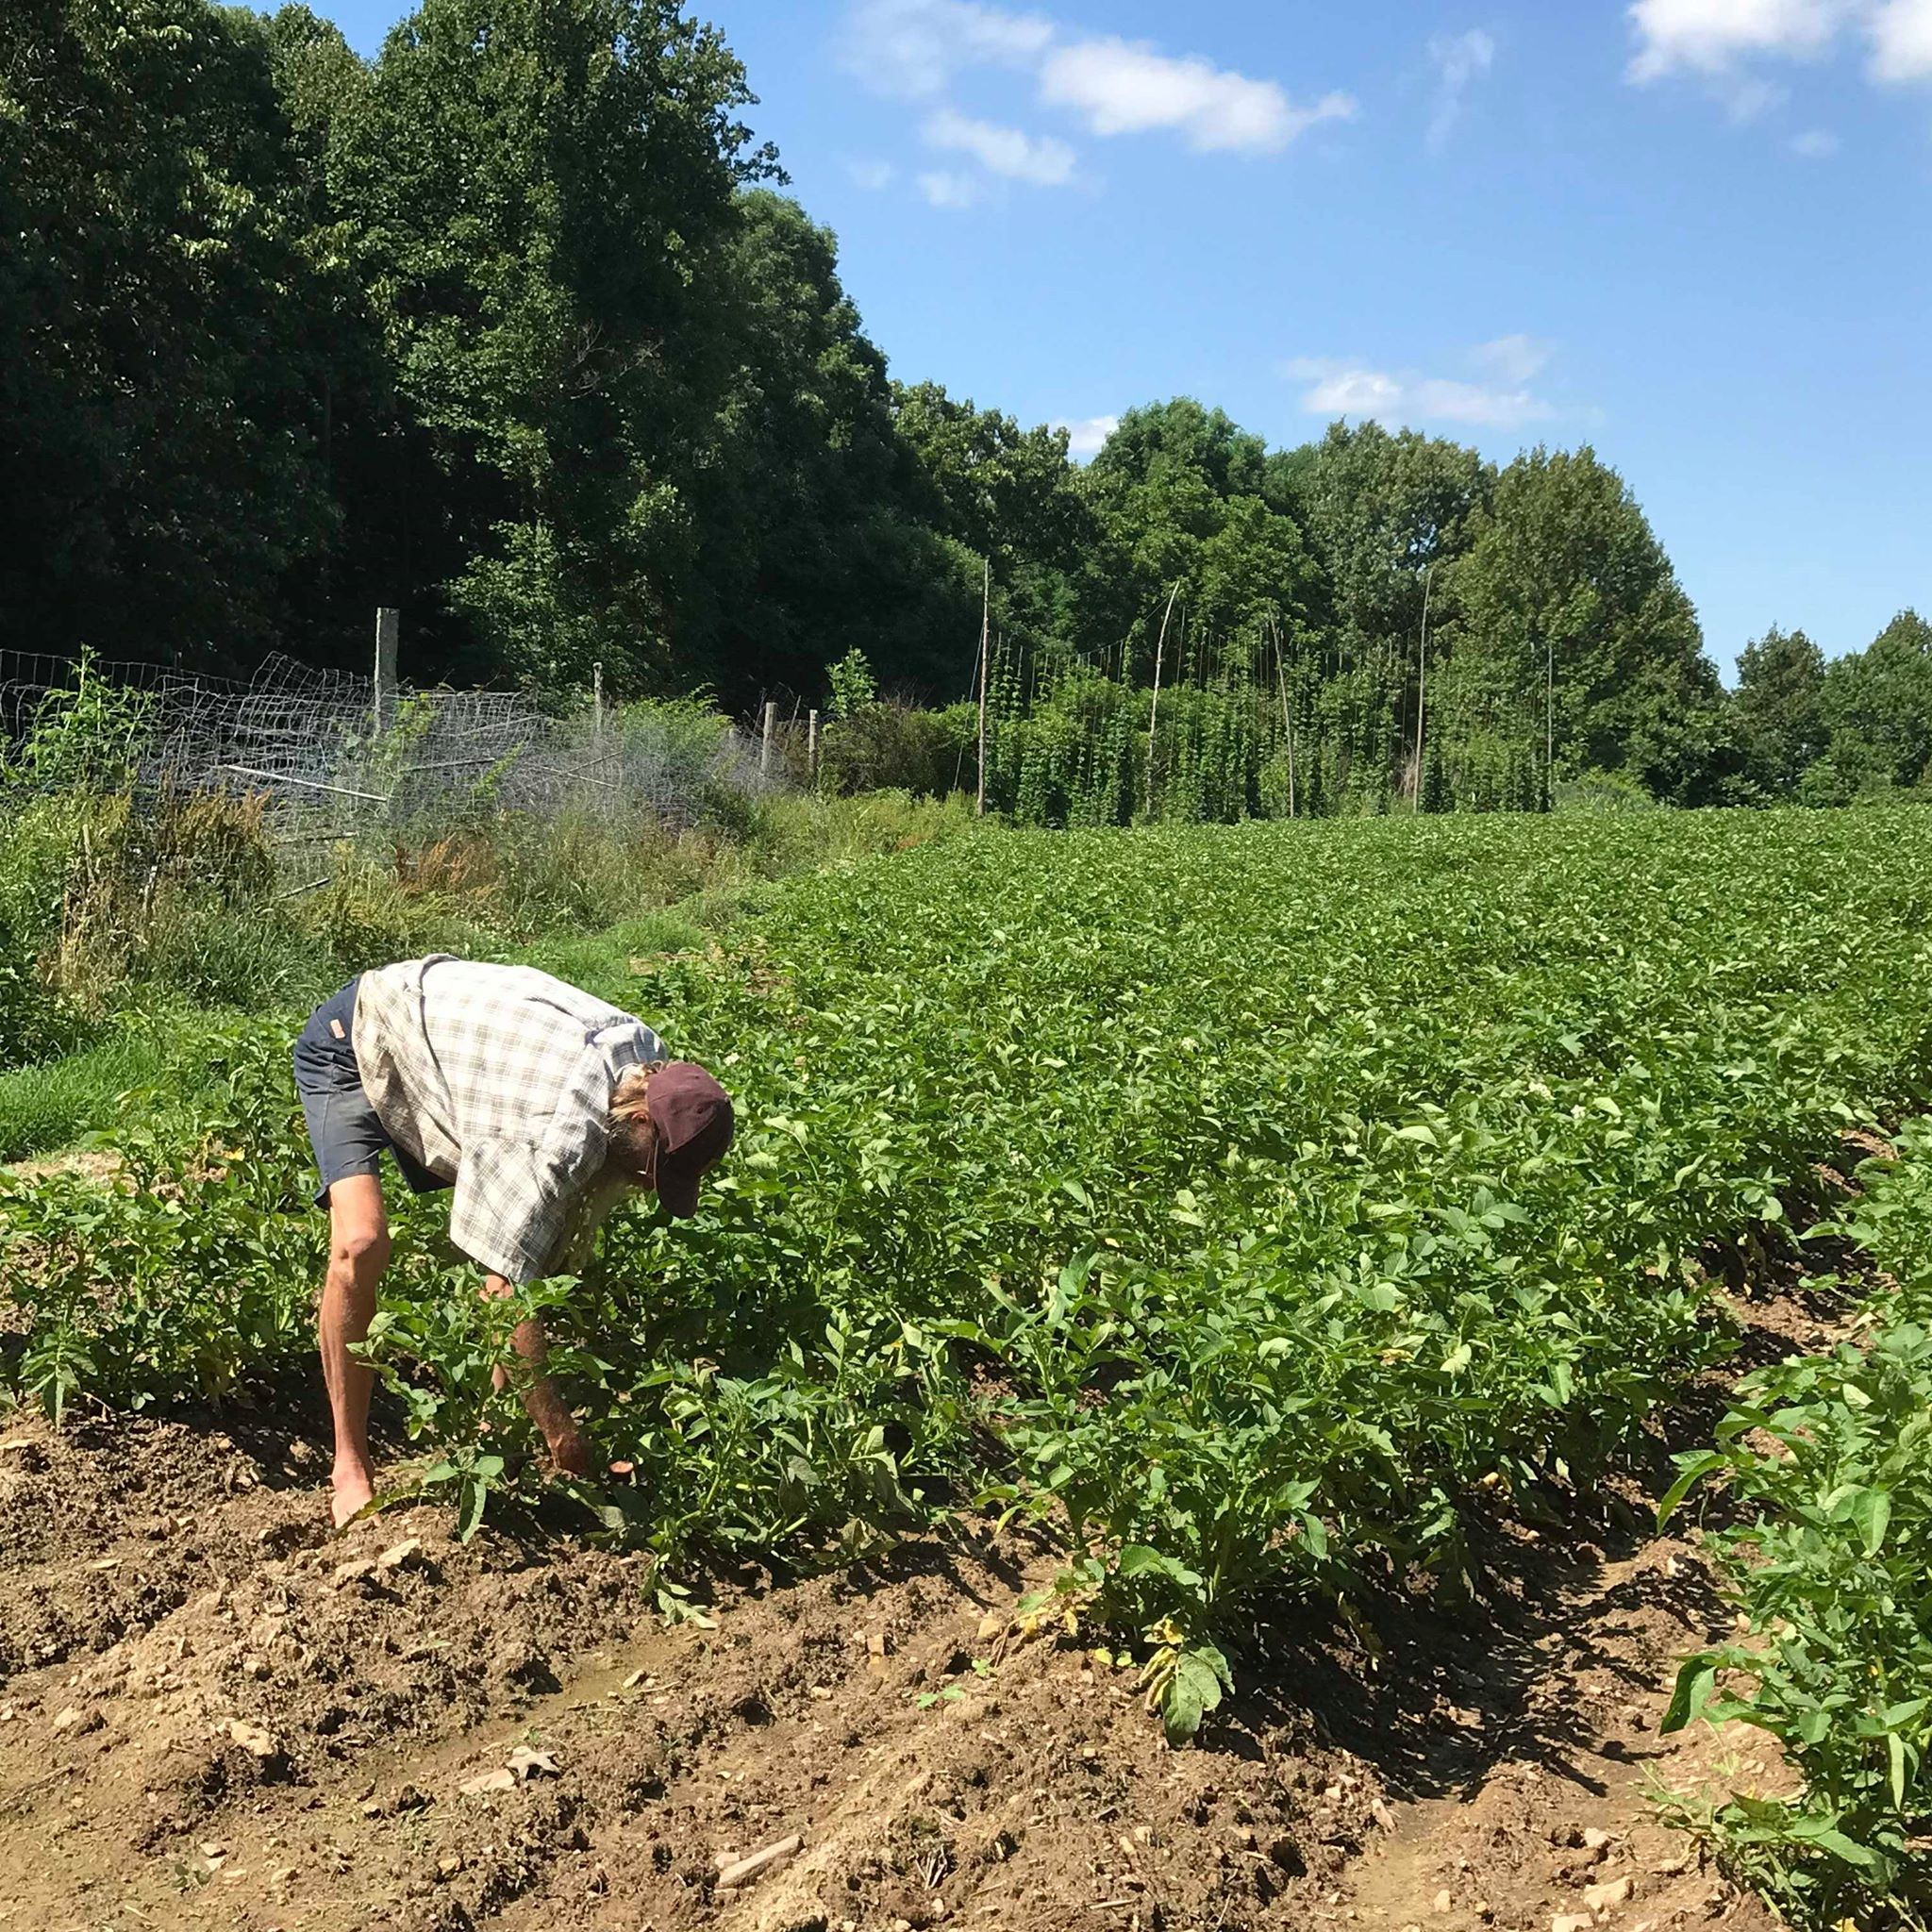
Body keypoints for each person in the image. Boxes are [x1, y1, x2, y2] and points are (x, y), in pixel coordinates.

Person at [291, 955, 733, 1527]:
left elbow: (516, 1271)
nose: (649, 1184)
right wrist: (563, 1437)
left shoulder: (650, 1072)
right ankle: (349, 1464)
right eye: (656, 1168)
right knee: (361, 1241)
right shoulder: (558, 1134)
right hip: (359, 1035)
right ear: (641, 1123)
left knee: (526, 1249)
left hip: (446, 1054)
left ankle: (489, 1433)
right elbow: (508, 1298)